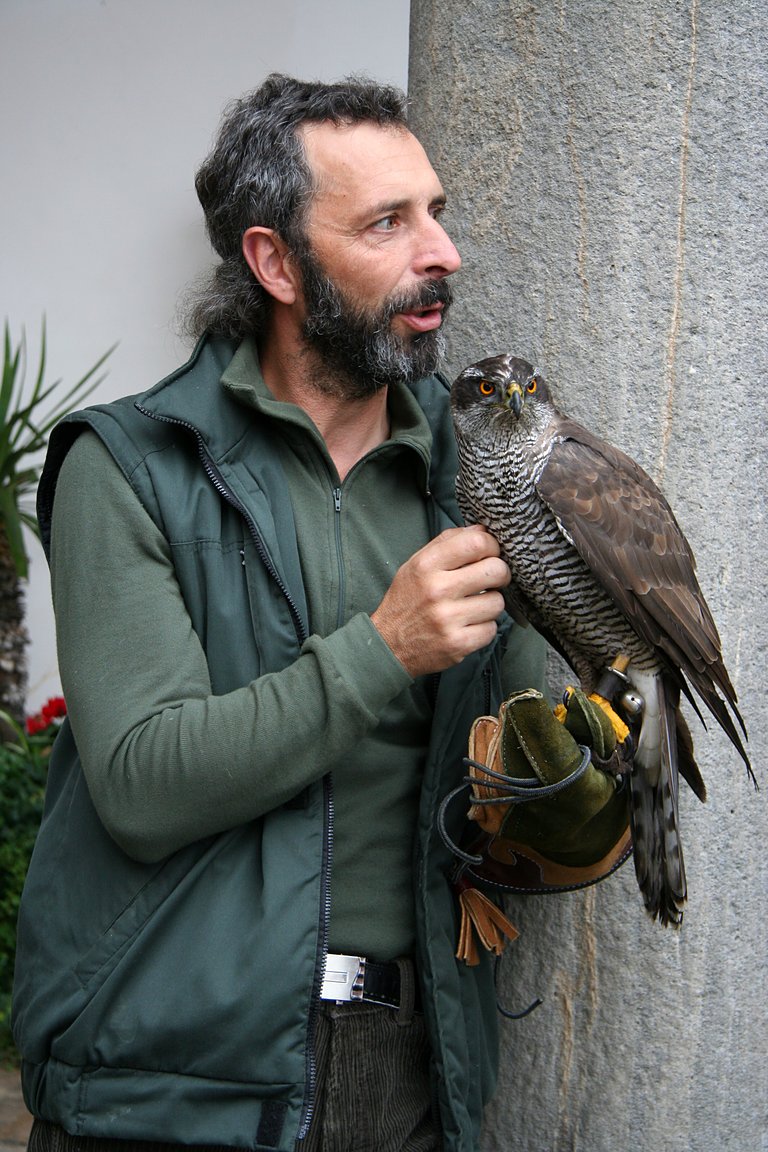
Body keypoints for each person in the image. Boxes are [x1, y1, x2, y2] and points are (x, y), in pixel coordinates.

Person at [12, 74, 628, 1152]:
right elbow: (144, 784)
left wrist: (576, 795)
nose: (443, 253)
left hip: (408, 1077)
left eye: (436, 212)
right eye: (388, 223)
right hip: (171, 1079)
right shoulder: (133, 468)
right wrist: (385, 649)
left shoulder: (475, 474)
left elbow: (512, 765)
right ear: (276, 263)